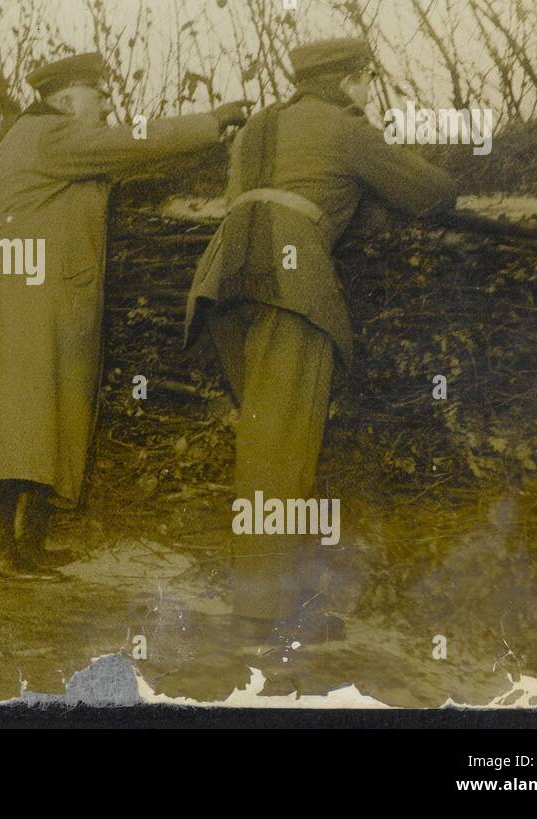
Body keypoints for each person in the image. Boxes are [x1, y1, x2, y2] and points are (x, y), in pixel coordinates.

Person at [0, 52, 250, 580]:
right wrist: (213, 122)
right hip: (16, 299)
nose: (105, 108)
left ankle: (21, 546)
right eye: (98, 96)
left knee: (30, 421)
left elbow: (119, 165)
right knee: (7, 426)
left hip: (25, 296)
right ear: (68, 98)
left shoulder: (49, 140)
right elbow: (134, 141)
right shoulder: (53, 135)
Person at [183, 37, 458, 645]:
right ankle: (263, 614)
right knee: (279, 449)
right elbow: (431, 193)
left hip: (225, 281)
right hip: (290, 282)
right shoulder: (344, 125)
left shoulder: (260, 124)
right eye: (364, 81)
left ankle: (268, 597)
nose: (367, 92)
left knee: (262, 437)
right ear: (348, 81)